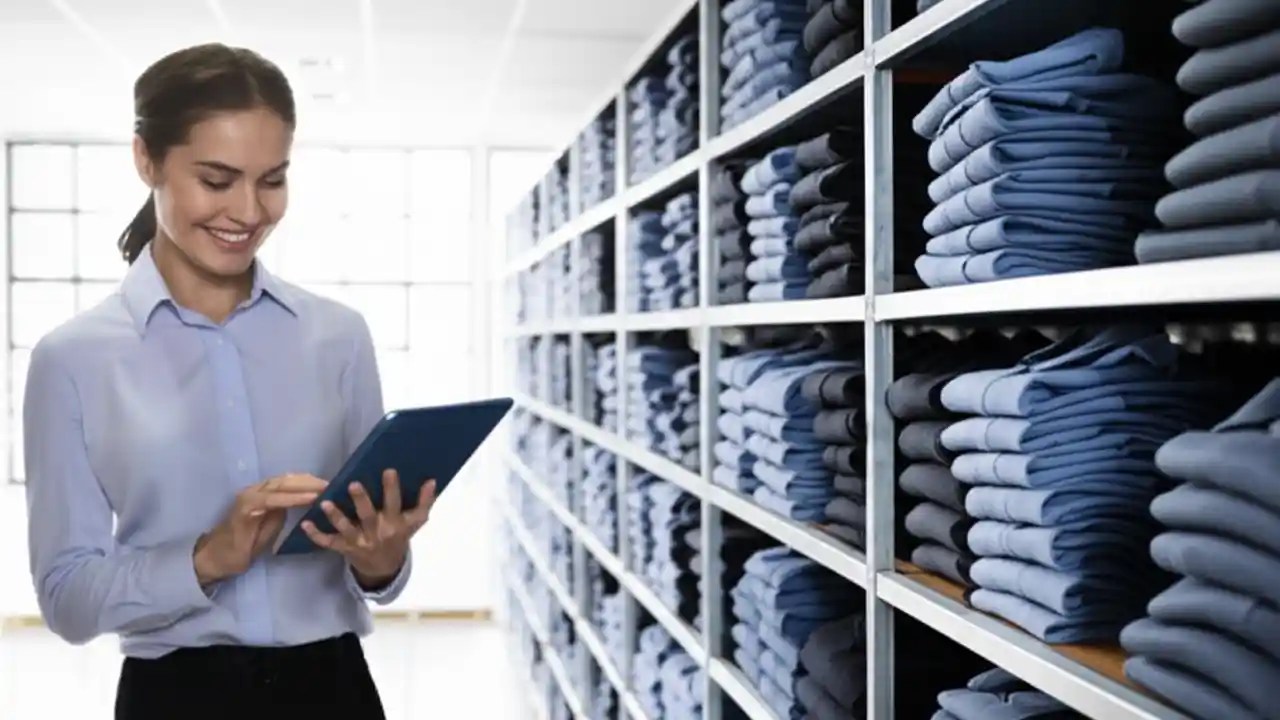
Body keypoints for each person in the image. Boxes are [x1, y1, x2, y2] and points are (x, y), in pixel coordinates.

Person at [22, 43, 434, 719]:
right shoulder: (73, 360)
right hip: (175, 697)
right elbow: (67, 599)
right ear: (145, 159)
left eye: (272, 180)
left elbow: (377, 572)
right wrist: (207, 557)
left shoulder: (339, 336)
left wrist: (382, 559)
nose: (249, 211)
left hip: (335, 690)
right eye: (216, 180)